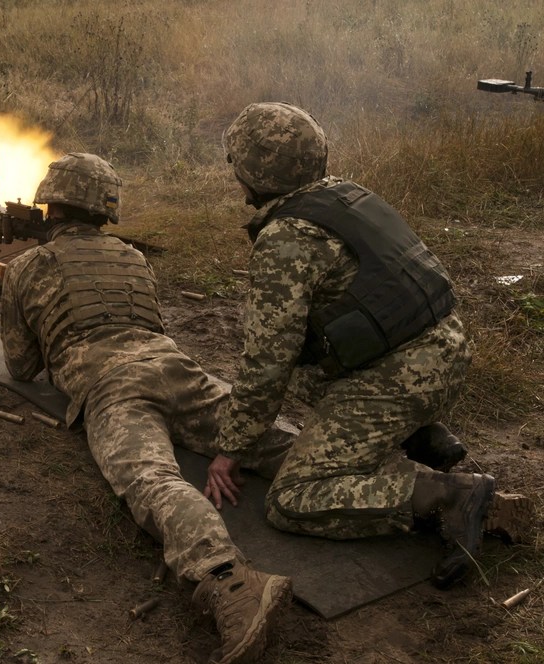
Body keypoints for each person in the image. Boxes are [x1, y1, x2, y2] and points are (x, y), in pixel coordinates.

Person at [207, 101, 529, 589]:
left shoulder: (287, 238)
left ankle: (447, 495)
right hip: (446, 349)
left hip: (400, 378)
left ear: (250, 170)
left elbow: (266, 363)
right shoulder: (346, 196)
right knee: (308, 365)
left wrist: (230, 449)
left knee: (293, 497)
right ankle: (422, 437)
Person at [1, 153, 297, 664]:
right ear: (106, 211)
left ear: (49, 206)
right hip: (177, 368)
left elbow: (21, 366)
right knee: (273, 442)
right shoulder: (133, 258)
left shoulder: (27, 267)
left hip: (113, 386)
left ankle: (229, 583)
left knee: (152, 480)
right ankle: (434, 491)